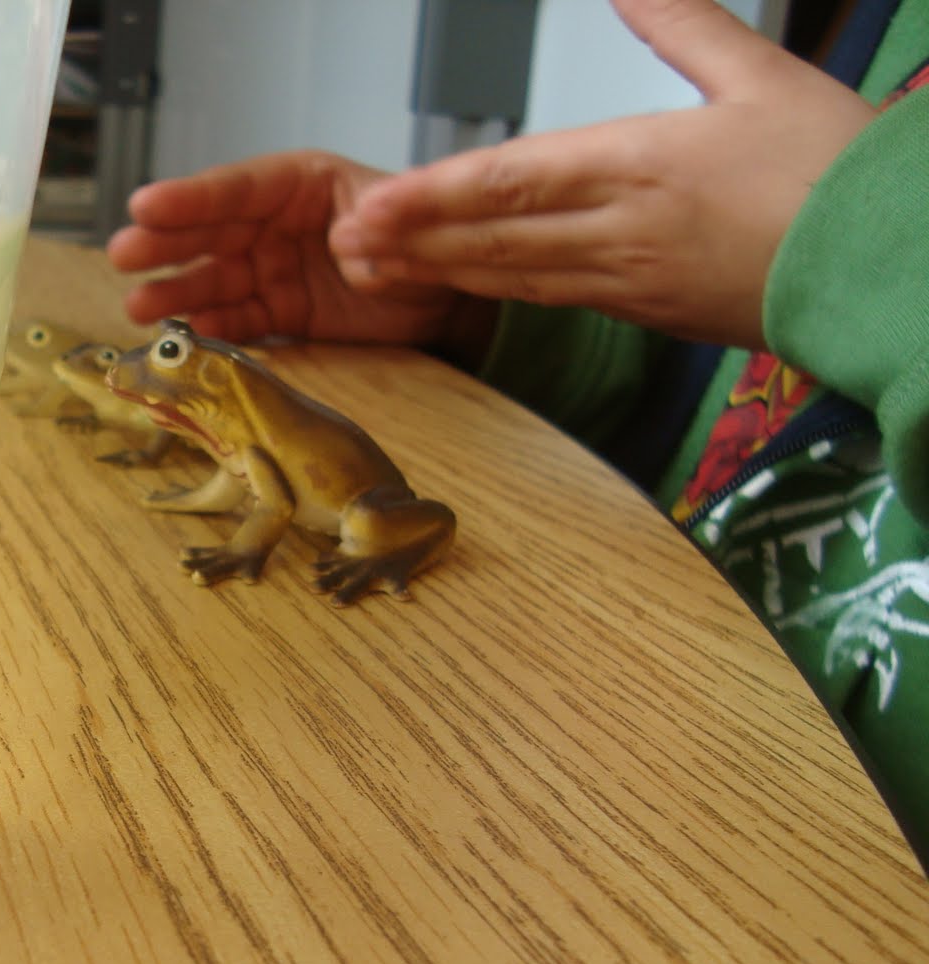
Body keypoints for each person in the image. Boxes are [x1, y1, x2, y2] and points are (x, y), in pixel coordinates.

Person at [105, 0, 929, 862]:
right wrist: (482, 306)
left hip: (850, 855)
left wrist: (860, 239)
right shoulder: (877, 25)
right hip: (656, 694)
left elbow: (269, 498)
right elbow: (753, 394)